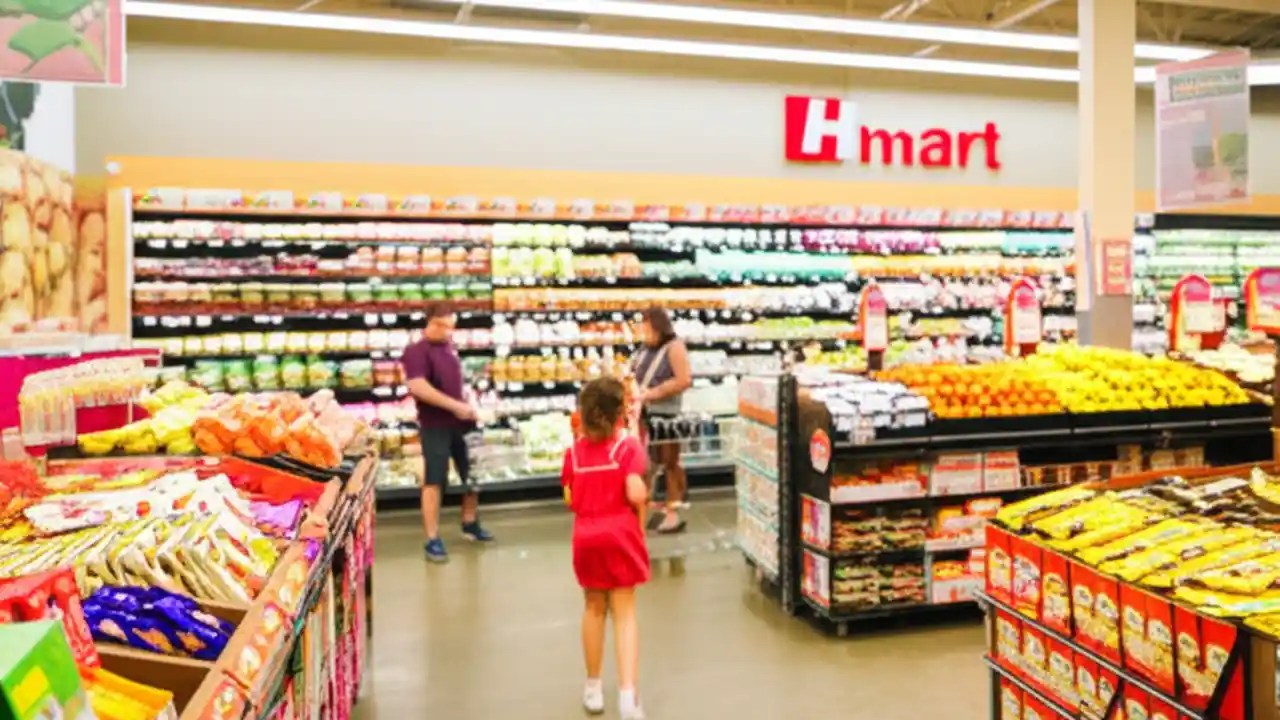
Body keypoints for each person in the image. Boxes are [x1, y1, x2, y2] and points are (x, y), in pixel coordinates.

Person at [562, 377, 650, 719]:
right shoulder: (627, 449)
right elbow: (636, 492)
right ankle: (628, 697)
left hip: (586, 536)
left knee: (593, 608)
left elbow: (570, 497)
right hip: (621, 535)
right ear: (619, 415)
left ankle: (593, 688)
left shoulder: (573, 452)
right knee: (625, 613)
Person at [402, 301, 494, 562]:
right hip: (435, 426)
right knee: (433, 481)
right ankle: (432, 539)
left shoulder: (450, 349)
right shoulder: (416, 351)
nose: (445, 331)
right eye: (440, 325)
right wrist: (456, 406)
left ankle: (470, 522)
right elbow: (418, 386)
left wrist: (471, 405)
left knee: (474, 475)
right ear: (428, 322)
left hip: (464, 424)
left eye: (449, 326)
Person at [631, 307, 693, 534]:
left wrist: (651, 393)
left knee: (670, 462)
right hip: (645, 414)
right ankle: (647, 509)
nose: (642, 329)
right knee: (649, 464)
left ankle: (673, 512)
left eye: (645, 324)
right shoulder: (645, 348)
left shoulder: (675, 347)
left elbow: (683, 379)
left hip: (667, 415)